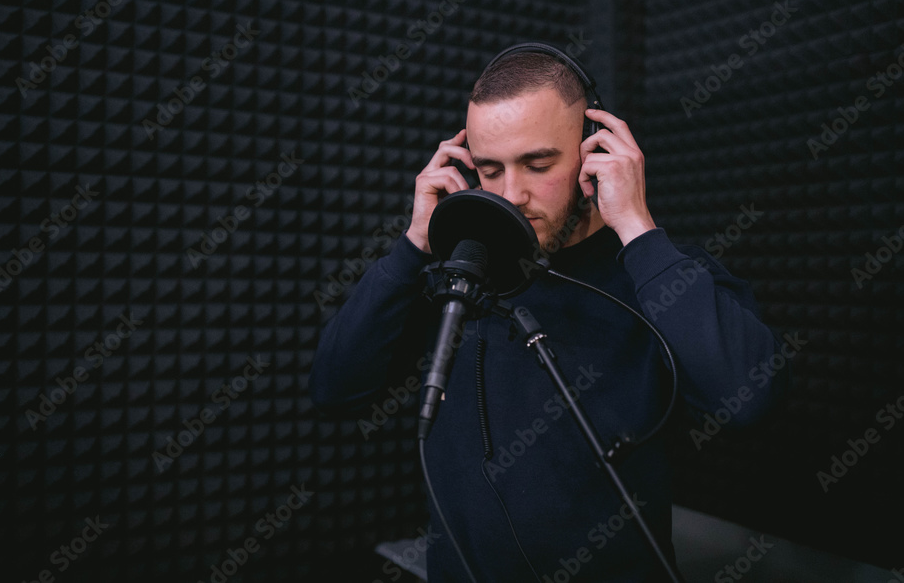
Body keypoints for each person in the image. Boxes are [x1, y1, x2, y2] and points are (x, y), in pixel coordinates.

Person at [311, 47, 788, 581]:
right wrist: (413, 246)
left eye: (538, 165)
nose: (512, 194)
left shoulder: (660, 274)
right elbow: (335, 389)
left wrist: (637, 227)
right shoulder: (454, 277)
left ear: (594, 151)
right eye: (490, 170)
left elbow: (748, 400)